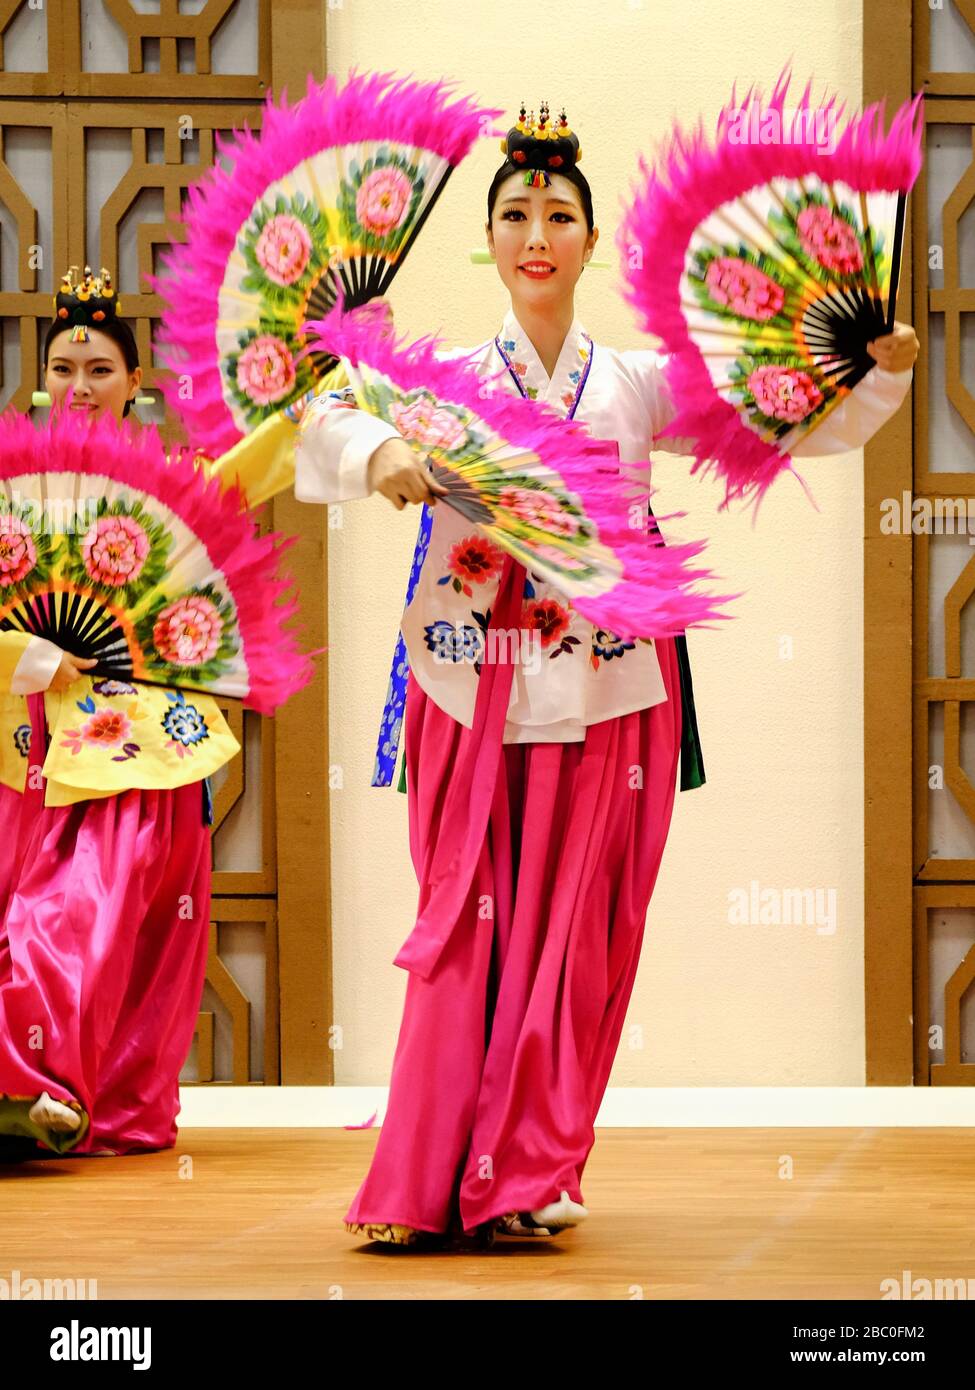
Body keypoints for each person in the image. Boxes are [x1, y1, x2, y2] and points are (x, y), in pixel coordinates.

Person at [292, 107, 920, 1248]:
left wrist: (869, 380)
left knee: (576, 939)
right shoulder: (442, 384)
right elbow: (324, 415)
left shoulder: (631, 383)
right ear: (488, 239)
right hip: (462, 679)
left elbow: (771, 419)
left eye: (560, 216)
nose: (538, 232)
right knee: (461, 926)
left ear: (589, 242)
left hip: (609, 691)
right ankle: (420, 1181)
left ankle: (528, 1173)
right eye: (517, 215)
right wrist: (385, 456)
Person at [0, 267, 242, 1159]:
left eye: (100, 368)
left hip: (144, 741)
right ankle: (29, 1085)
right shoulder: (12, 481)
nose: (79, 386)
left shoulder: (177, 479)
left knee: (144, 926)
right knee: (54, 913)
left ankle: (115, 1103)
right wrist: (26, 650)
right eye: (63, 366)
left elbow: (250, 475)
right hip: (33, 733)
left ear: (136, 383)